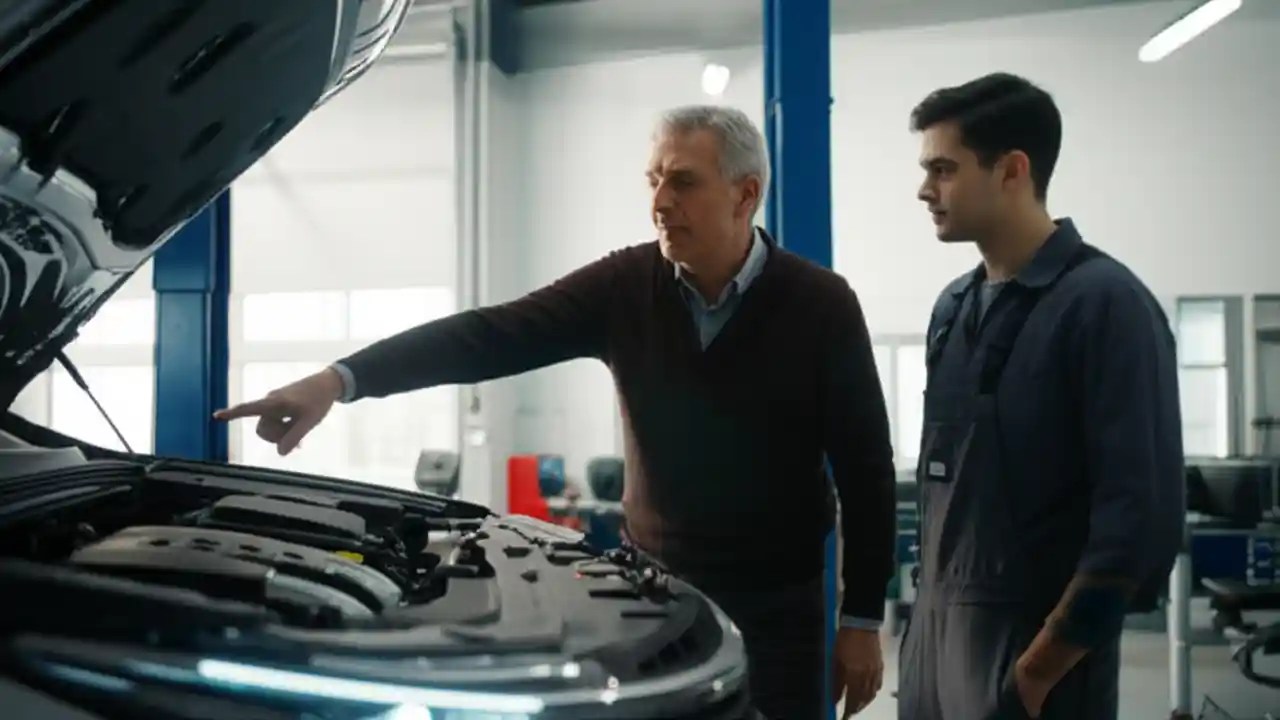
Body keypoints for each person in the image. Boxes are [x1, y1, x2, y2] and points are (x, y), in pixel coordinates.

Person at [215, 105, 897, 719]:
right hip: (656, 597)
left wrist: (863, 619)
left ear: (746, 194)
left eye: (683, 182)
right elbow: (490, 334)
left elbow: (865, 469)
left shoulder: (820, 305)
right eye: (653, 180)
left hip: (780, 613)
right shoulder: (624, 287)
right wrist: (339, 381)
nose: (660, 202)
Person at [897, 72, 1184, 720]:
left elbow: (1137, 525)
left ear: (1011, 170)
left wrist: (1035, 673)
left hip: (1033, 662)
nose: (924, 190)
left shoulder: (1105, 306)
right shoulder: (953, 308)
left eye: (943, 169)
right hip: (934, 646)